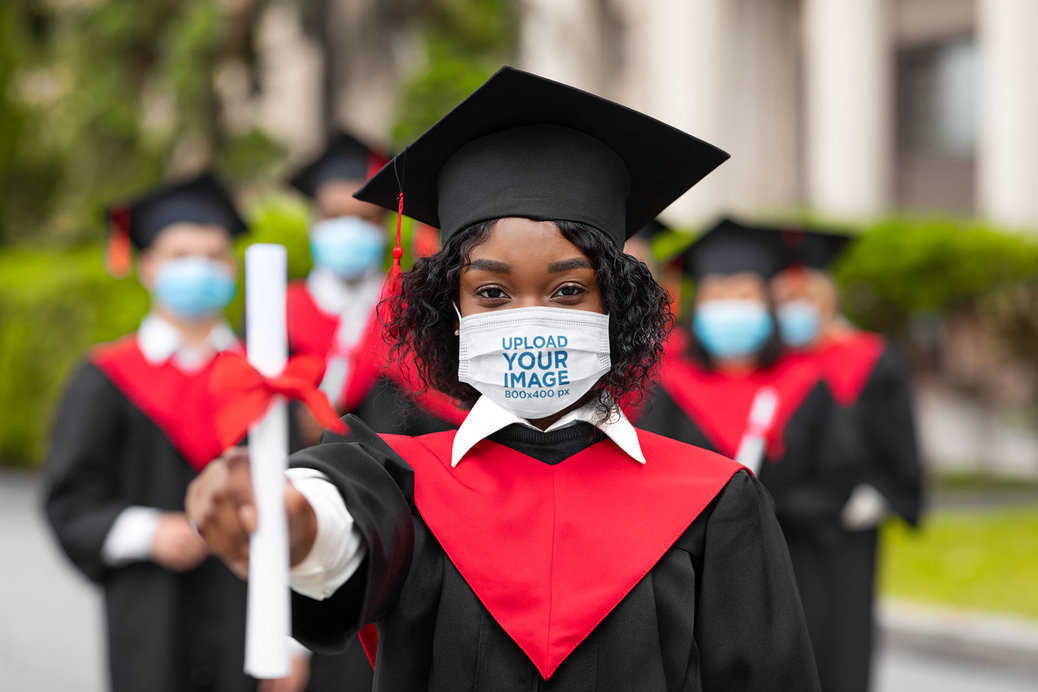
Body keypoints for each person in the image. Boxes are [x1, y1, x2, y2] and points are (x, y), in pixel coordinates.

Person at [186, 67, 821, 690]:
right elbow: (343, 520)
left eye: (569, 290)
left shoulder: (715, 501)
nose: (530, 319)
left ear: (616, 306)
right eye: (491, 291)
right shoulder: (402, 481)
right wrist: (297, 517)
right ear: (451, 313)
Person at [42, 172, 263, 692]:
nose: (199, 268)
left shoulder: (264, 377)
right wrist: (148, 533)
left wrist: (294, 639)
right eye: (180, 254)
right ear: (147, 267)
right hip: (148, 613)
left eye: (213, 255)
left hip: (249, 620)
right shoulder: (106, 377)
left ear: (232, 267)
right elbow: (69, 501)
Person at [770, 227, 925, 692]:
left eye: (806, 298)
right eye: (785, 299)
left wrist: (882, 493)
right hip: (781, 521)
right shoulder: (766, 366)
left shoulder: (870, 358)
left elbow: (899, 437)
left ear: (827, 299)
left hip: (846, 527)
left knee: (843, 637)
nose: (796, 310)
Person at [286, 131, 466, 450]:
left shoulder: (413, 310)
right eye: (335, 216)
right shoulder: (281, 311)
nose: (349, 230)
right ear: (313, 223)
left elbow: (438, 416)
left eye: (364, 218)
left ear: (384, 227)